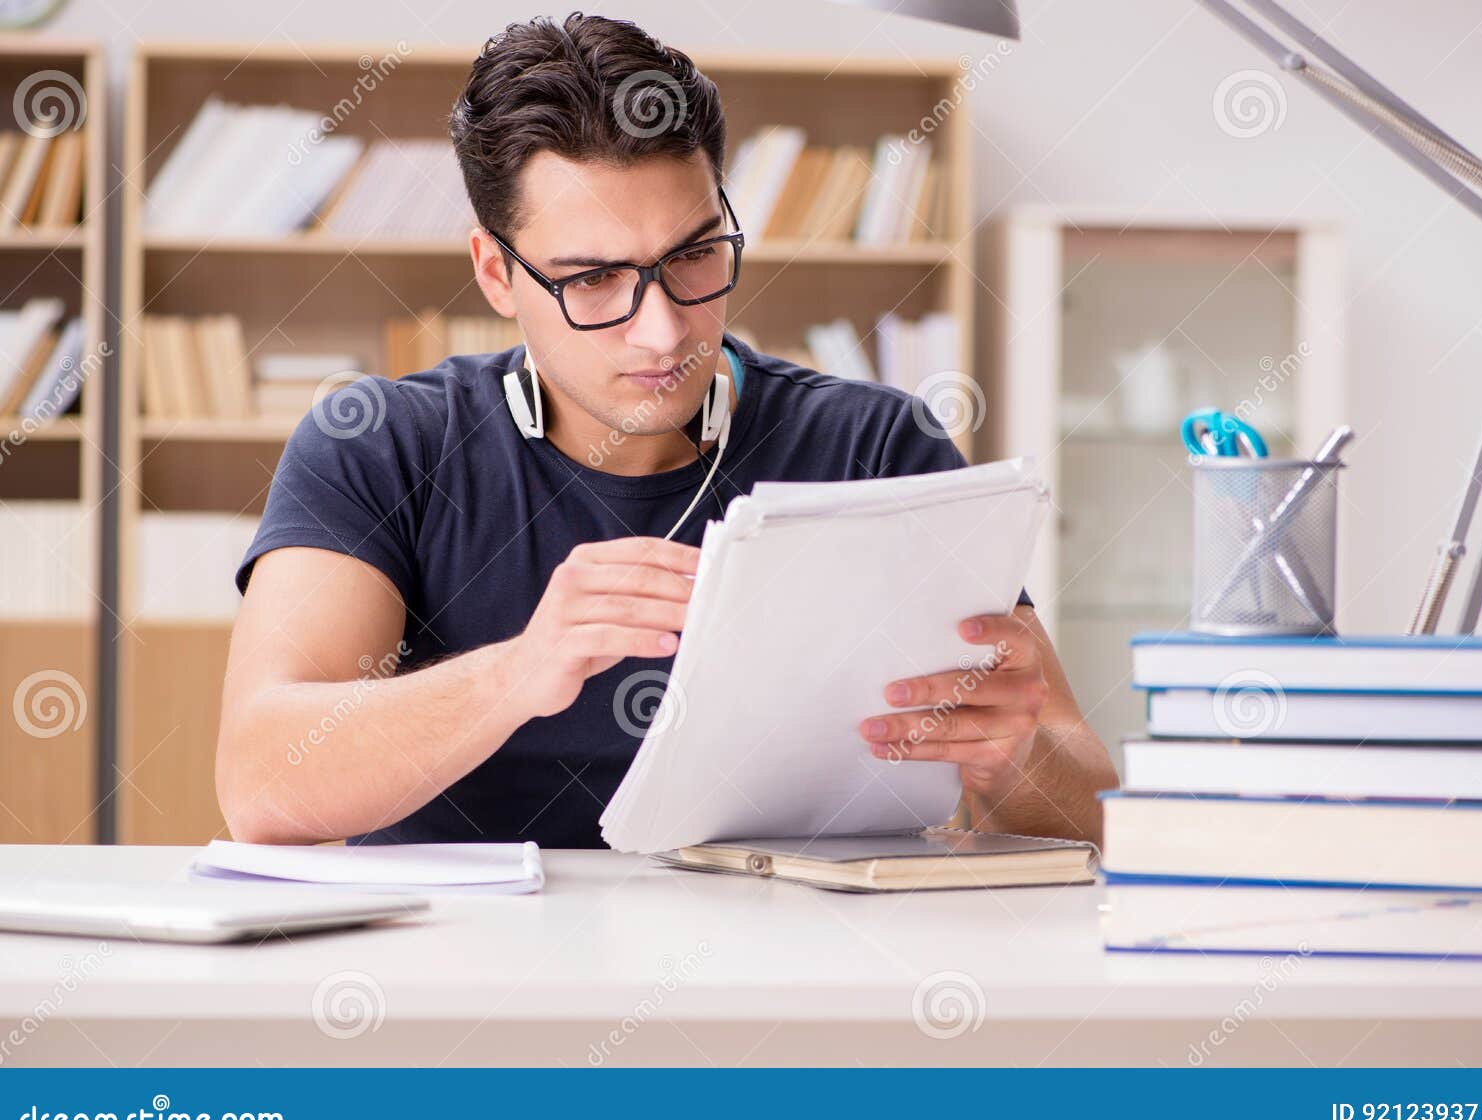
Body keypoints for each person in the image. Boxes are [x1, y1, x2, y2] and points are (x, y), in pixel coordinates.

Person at [215, 12, 1115, 847]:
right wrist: (518, 673)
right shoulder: (378, 445)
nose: (663, 330)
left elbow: (1095, 820)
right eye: (593, 279)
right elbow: (260, 784)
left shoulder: (877, 450)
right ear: (495, 273)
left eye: (692, 256)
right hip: (462, 956)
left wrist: (1014, 757)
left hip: (793, 952)